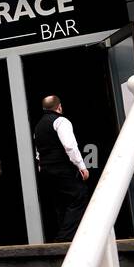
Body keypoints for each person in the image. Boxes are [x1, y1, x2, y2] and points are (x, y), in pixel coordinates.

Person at [32, 95, 90, 241]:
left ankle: (66, 238)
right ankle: (65, 238)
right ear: (59, 107)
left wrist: (41, 166)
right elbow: (70, 146)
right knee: (79, 195)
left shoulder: (38, 126)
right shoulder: (61, 121)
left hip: (46, 170)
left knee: (61, 202)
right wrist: (81, 166)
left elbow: (38, 151)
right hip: (61, 168)